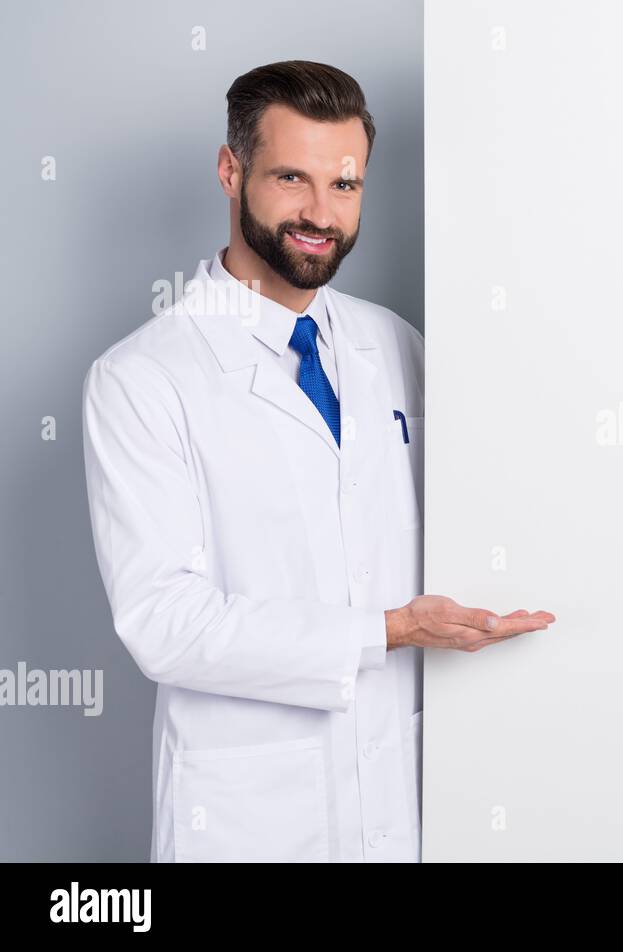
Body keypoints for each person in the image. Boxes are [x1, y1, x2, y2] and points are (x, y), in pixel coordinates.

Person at [81, 60, 554, 862]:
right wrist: (388, 631)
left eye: (345, 185)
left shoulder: (393, 344)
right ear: (231, 171)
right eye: (290, 178)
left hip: (401, 794)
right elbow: (164, 623)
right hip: (246, 814)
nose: (319, 214)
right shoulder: (141, 379)